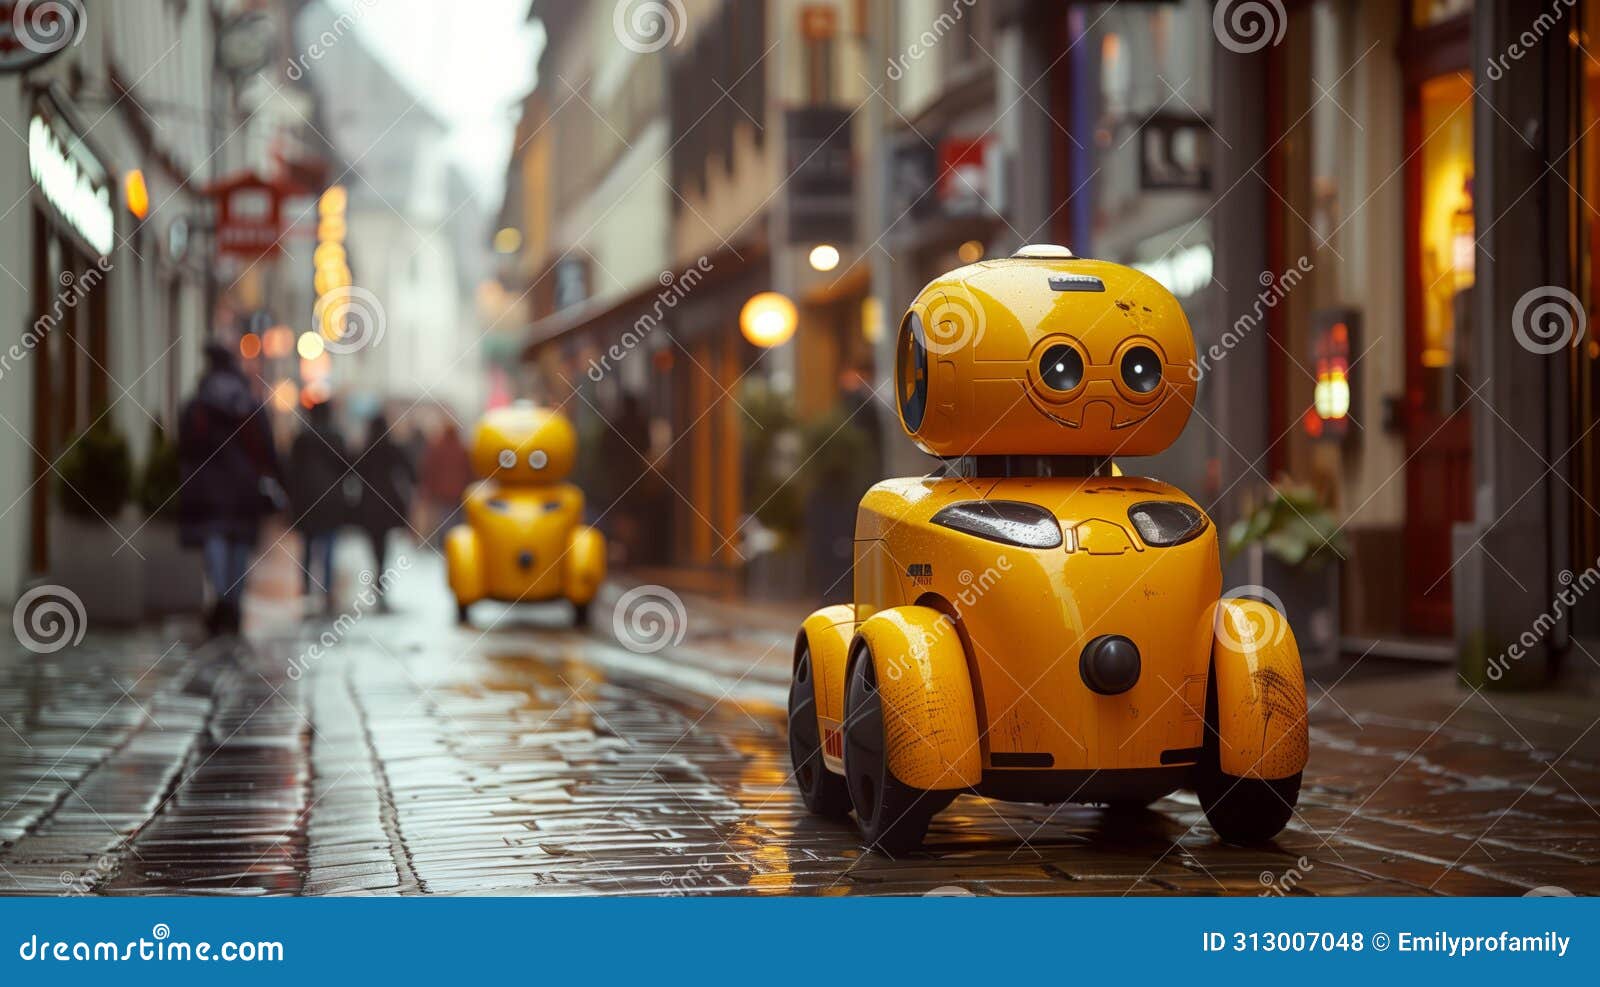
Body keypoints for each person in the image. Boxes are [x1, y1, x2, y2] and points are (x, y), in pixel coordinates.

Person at [177, 340, 283, 636]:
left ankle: (221, 598)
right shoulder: (249, 403)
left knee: (216, 537)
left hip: (208, 487)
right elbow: (267, 450)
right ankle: (233, 604)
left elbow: (185, 446)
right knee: (239, 543)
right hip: (245, 487)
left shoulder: (198, 403)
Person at [287, 401, 351, 614]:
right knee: (328, 544)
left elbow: (290, 470)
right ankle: (326, 587)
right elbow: (346, 468)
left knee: (307, 542)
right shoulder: (337, 437)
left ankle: (305, 585)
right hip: (331, 500)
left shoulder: (301, 439)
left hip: (306, 499)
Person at [353, 414, 416, 605]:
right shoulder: (392, 447)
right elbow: (410, 470)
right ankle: (380, 575)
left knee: (374, 541)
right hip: (388, 500)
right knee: (385, 541)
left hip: (369, 501)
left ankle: (377, 572)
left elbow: (354, 471)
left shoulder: (366, 448)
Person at [418, 421, 473, 545]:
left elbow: (429, 471)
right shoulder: (463, 450)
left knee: (444, 520)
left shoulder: (437, 448)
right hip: (459, 494)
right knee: (457, 523)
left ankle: (446, 543)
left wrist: (428, 490)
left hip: (442, 495)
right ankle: (454, 545)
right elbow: (470, 473)